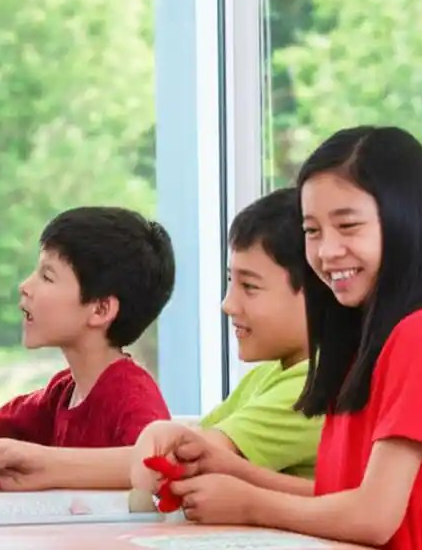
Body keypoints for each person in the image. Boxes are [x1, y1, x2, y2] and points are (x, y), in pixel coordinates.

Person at [136, 126, 422, 550]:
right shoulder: (359, 340)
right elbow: (338, 500)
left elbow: (372, 518)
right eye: (312, 231)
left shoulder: (421, 336)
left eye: (347, 226)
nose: (327, 251)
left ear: (405, 221)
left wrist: (251, 504)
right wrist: (231, 470)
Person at [0, 206, 175, 489]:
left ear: (101, 309)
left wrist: (45, 464)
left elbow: (156, 465)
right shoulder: (63, 392)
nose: (25, 286)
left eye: (47, 276)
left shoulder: (132, 395)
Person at [131, 187, 321, 482]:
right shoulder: (267, 375)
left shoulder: (313, 386)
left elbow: (181, 456)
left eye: (250, 287)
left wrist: (44, 463)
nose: (227, 304)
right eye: (231, 281)